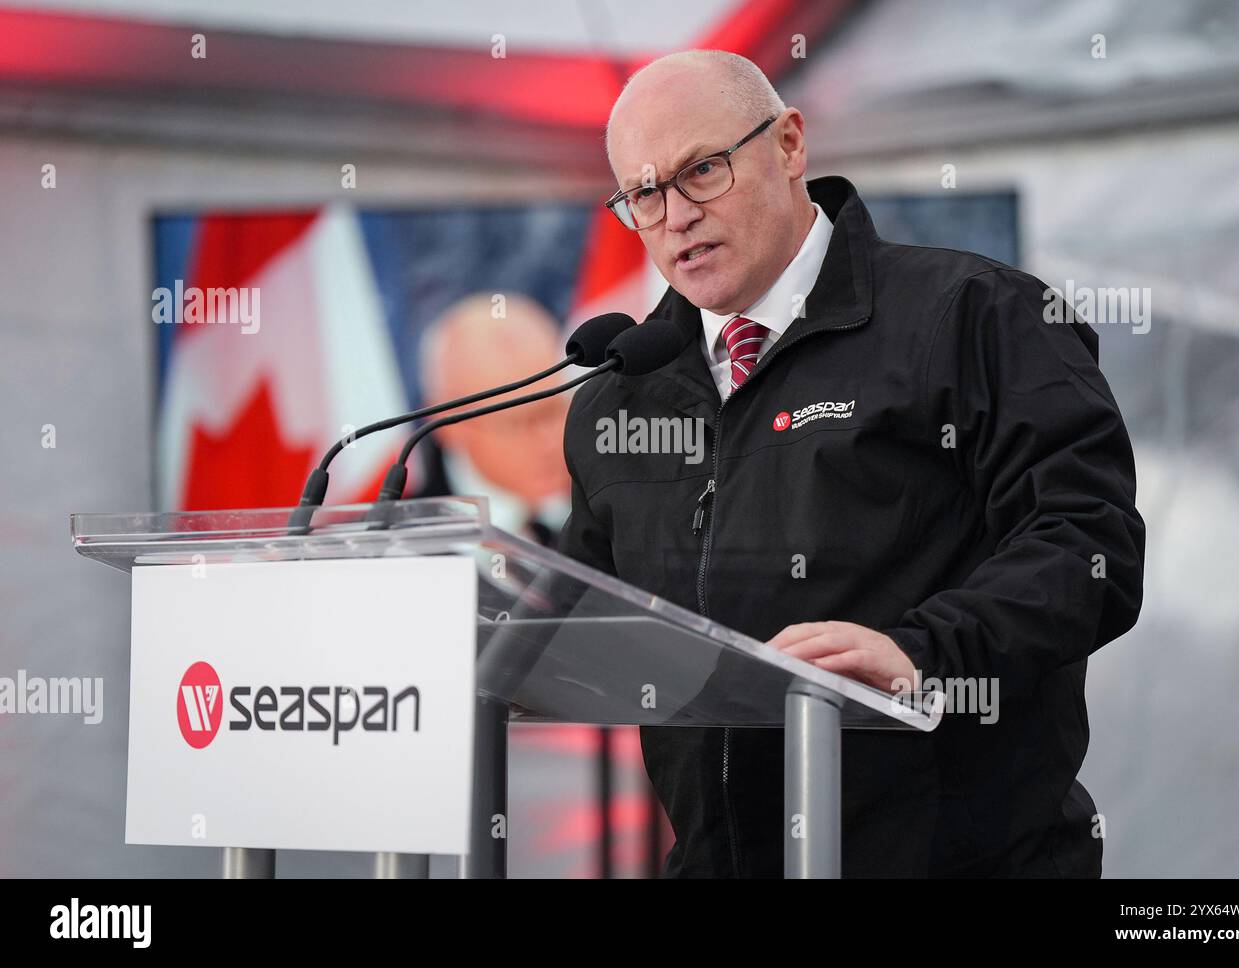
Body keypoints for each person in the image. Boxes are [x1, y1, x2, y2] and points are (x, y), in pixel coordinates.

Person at [557, 50, 1146, 877]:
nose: (676, 215)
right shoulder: (620, 397)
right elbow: (586, 624)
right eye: (644, 194)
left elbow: (1092, 545)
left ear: (790, 144)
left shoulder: (970, 315)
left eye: (702, 171)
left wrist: (927, 654)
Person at [414, 291, 571, 544]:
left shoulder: (631, 504)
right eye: (519, 422)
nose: (549, 441)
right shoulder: (397, 550)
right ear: (449, 425)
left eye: (554, 411)